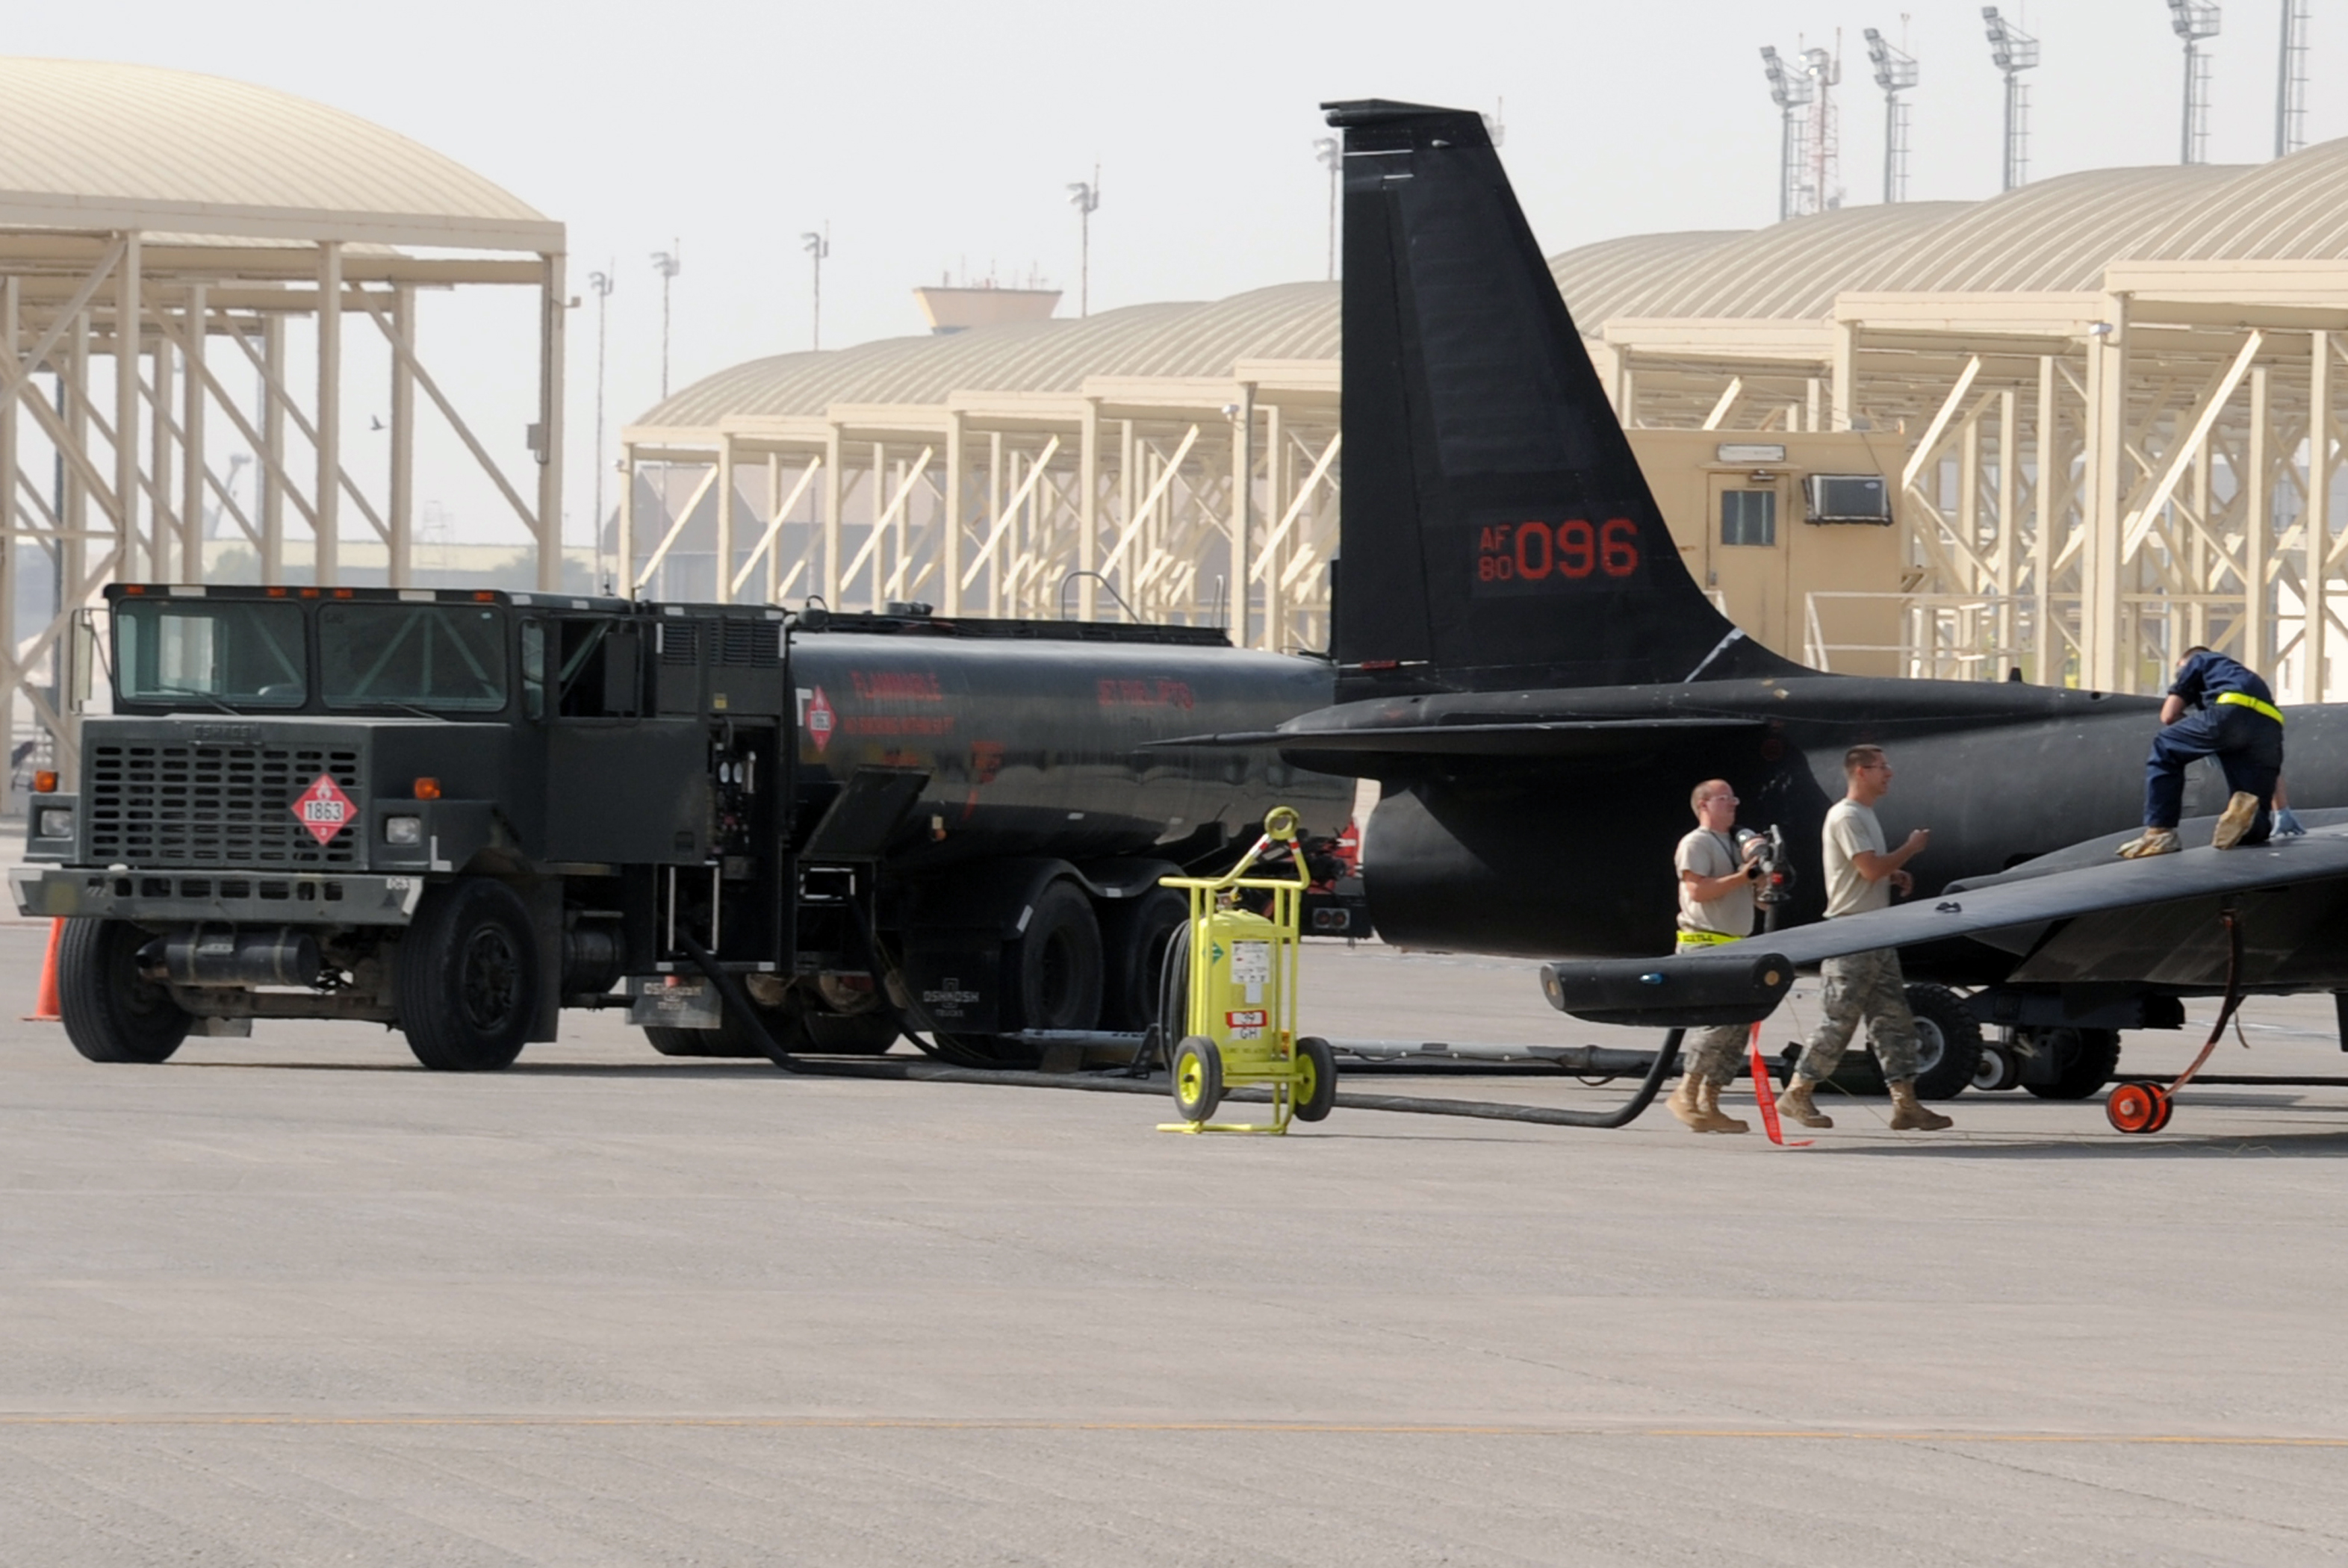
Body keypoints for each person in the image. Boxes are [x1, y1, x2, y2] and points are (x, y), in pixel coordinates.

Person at [1778, 745, 1953, 1133]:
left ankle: (1906, 1104)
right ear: (1860, 772)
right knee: (1839, 1021)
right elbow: (1869, 868)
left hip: (1875, 933)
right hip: (1852, 934)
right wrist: (1909, 850)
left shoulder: (1865, 815)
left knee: (1893, 1021)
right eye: (1881, 767)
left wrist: (1892, 874)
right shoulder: (1846, 816)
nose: (1889, 773)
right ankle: (1797, 1092)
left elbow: (1865, 871)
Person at [1664, 779, 1765, 1134]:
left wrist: (1762, 882)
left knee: (1738, 1026)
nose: (1734, 803)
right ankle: (1686, 1091)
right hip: (1705, 944)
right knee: (1717, 1023)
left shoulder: (1736, 846)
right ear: (1704, 805)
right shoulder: (1696, 843)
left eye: (1734, 797)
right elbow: (1698, 890)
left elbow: (1757, 901)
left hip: (1737, 945)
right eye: (1724, 798)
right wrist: (1743, 876)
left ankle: (1710, 1102)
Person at [2118, 646, 2285, 859]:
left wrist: (2197, 733)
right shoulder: (2242, 677)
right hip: (2270, 728)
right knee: (2254, 804)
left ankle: (2160, 833)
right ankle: (2250, 824)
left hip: (2229, 715)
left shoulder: (2200, 660)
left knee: (2165, 745)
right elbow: (2274, 772)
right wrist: (2283, 810)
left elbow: (2168, 716)